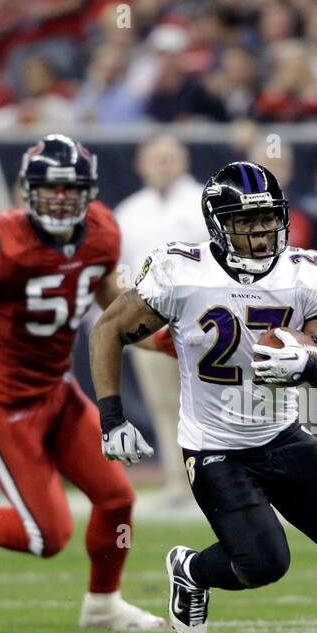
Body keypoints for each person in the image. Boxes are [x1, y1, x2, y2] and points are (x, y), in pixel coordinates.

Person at [89, 161, 317, 633]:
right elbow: (108, 330)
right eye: (247, 221)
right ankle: (193, 571)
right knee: (265, 563)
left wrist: (308, 366)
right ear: (217, 224)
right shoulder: (182, 271)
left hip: (283, 436)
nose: (262, 231)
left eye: (268, 218)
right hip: (215, 448)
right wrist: (111, 419)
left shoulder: (305, 272)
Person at [0, 135, 163, 633]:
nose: (62, 199)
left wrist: (165, 336)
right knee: (46, 536)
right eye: (51, 189)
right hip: (3, 401)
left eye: (72, 190)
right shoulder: (4, 243)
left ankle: (103, 603)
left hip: (57, 390)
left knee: (117, 499)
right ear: (29, 191)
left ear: (89, 192)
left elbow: (113, 309)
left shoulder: (102, 233)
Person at [112, 135, 207, 507]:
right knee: (165, 403)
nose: (162, 165)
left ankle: (214, 478)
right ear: (141, 164)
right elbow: (117, 271)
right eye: (155, 159)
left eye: (169, 158)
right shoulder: (130, 211)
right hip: (147, 319)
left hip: (200, 320)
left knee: (205, 401)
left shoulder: (204, 201)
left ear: (183, 161)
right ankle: (177, 482)